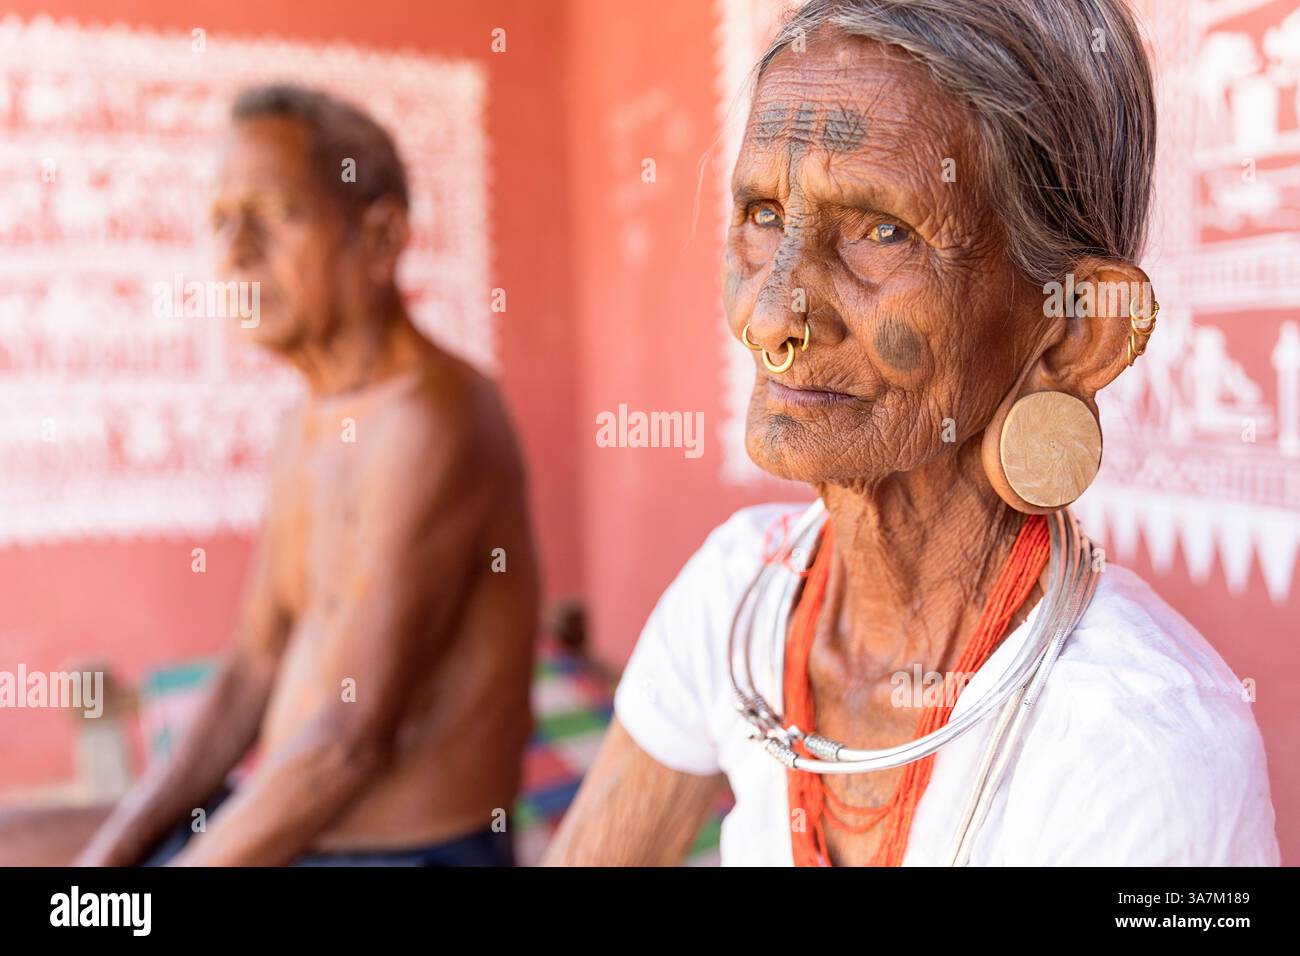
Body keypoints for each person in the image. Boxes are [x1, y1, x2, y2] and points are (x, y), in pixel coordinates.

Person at [546, 0, 1280, 866]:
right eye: (762, 215)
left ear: (1075, 330)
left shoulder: (1143, 749)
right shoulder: (739, 597)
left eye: (881, 232)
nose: (769, 316)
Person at [0, 85, 539, 866]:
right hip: (291, 826)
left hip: (400, 856)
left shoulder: (438, 417)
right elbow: (255, 660)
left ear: (381, 238)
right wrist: (111, 859)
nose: (236, 249)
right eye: (221, 221)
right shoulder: (308, 419)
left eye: (276, 213)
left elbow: (349, 745)